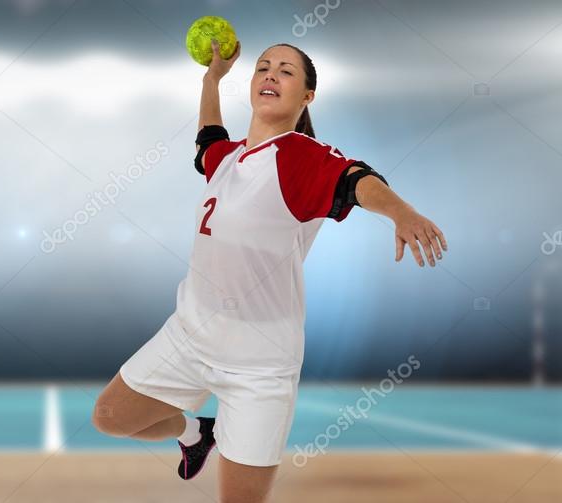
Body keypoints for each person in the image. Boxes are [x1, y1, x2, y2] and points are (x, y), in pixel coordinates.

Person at [91, 39, 448, 503]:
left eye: (286, 70)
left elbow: (356, 179)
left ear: (307, 96)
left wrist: (401, 212)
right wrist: (212, 78)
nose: (271, 74)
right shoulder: (227, 158)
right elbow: (208, 137)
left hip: (259, 366)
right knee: (111, 417)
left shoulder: (300, 155)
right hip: (189, 337)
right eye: (263, 67)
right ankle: (197, 434)